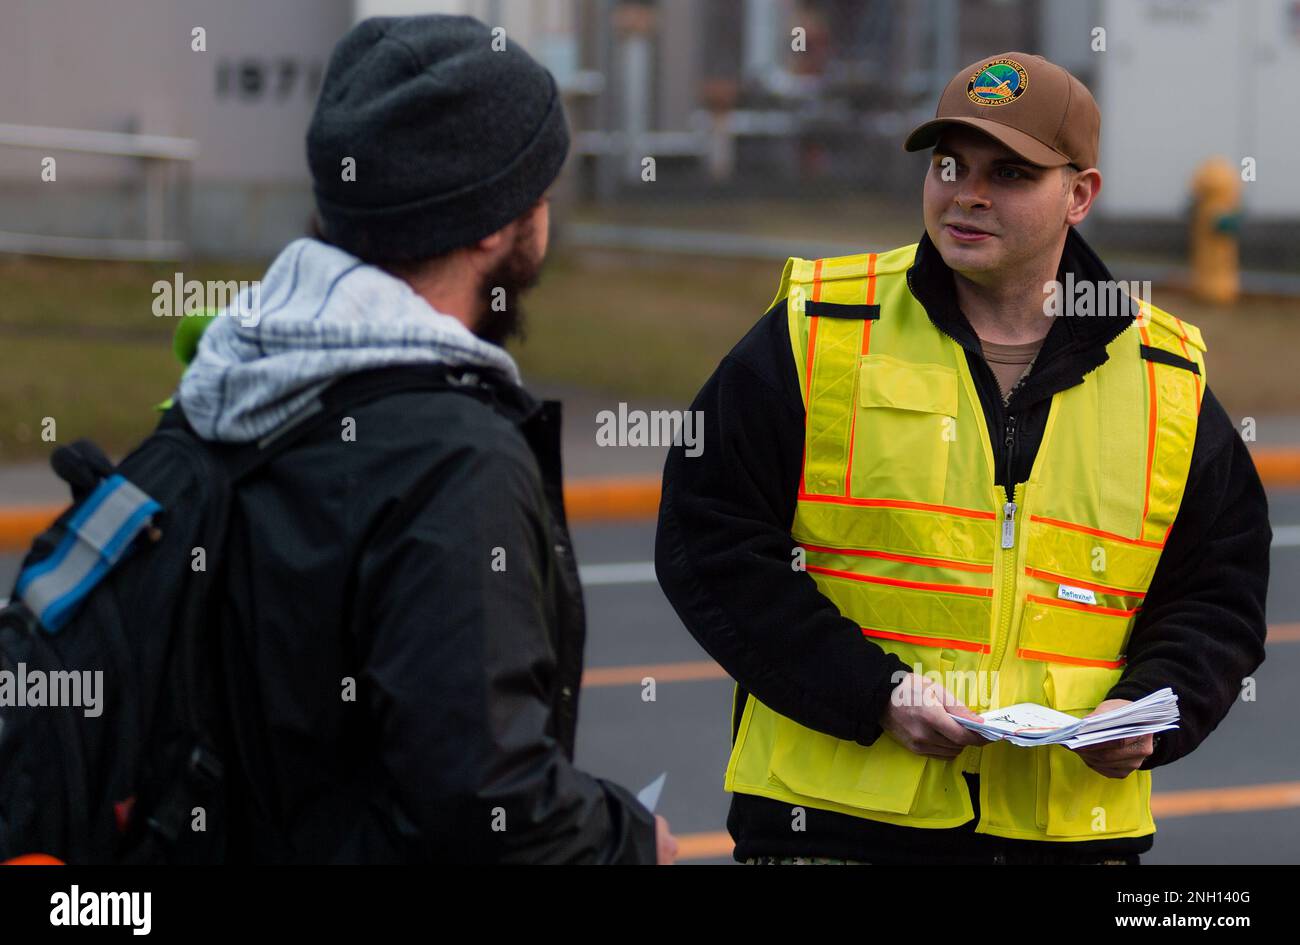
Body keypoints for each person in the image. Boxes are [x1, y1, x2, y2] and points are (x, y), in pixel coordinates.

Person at [654, 52, 1269, 864]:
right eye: (950, 164)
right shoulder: (824, 326)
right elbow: (710, 539)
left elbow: (1220, 588)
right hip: (834, 830)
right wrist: (874, 692)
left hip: (1063, 836)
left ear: (1079, 196)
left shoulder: (1165, 373)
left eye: (1010, 172)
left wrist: (1155, 711)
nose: (967, 193)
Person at [175, 14, 674, 863]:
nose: (544, 216)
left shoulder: (233, 384)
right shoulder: (453, 458)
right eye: (539, 191)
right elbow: (485, 800)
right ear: (491, 227)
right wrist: (634, 843)